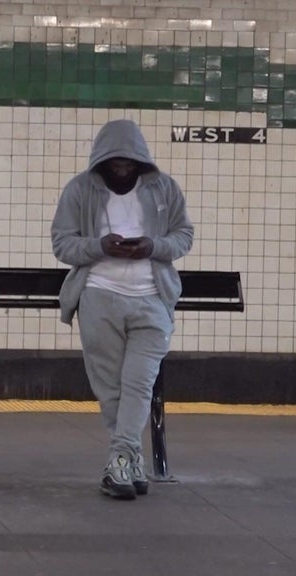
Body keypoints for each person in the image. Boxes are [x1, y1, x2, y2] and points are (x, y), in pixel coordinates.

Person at [51, 119, 193, 500]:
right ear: (101, 162)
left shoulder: (165, 189)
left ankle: (119, 463)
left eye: (129, 164)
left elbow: (183, 236)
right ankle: (130, 462)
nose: (121, 170)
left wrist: (152, 246)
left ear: (141, 162)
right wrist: (100, 246)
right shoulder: (79, 190)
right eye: (114, 164)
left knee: (139, 383)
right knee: (112, 389)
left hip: (153, 301)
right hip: (98, 299)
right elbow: (62, 243)